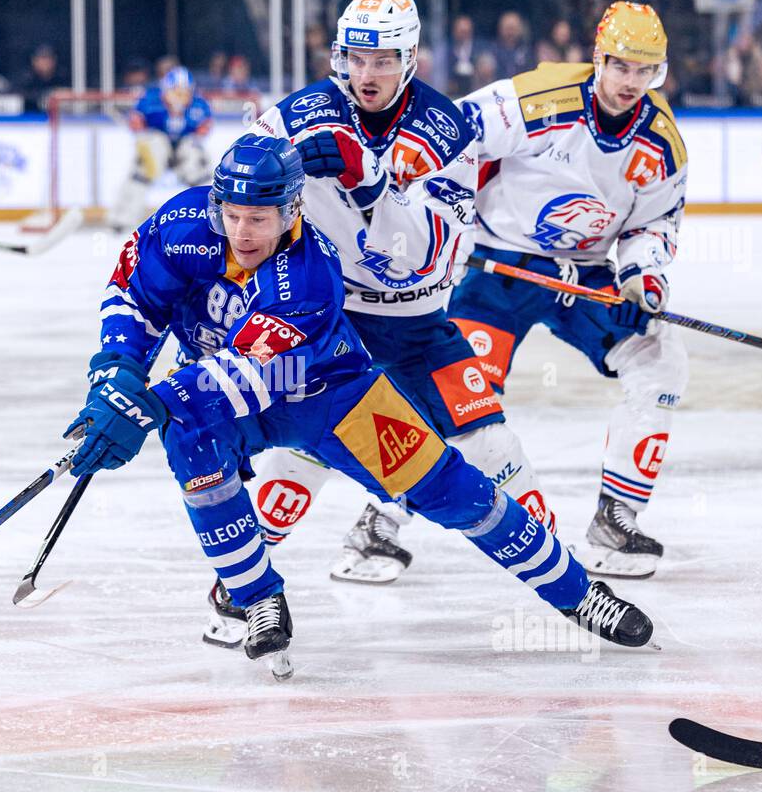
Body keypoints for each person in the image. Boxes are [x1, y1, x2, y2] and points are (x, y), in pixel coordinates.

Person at [63, 133, 654, 673]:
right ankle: (257, 598)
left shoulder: (308, 277)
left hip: (334, 398)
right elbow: (134, 298)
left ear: (291, 210)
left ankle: (578, 594)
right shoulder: (183, 223)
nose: (242, 232)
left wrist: (148, 405)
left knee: (456, 494)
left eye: (259, 219)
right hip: (234, 387)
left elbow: (249, 375)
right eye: (233, 215)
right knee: (188, 438)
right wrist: (116, 371)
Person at [241, 0, 553, 597]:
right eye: (356, 58)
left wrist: (367, 181)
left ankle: (559, 571)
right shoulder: (298, 114)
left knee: (490, 442)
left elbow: (419, 257)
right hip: (333, 319)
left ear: (410, 58)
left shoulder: (447, 129)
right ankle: (241, 583)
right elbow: (236, 195)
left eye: (382, 60)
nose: (366, 74)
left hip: (415, 323)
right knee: (305, 449)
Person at [448, 1, 688, 578]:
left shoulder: (661, 142)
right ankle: (383, 521)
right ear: (598, 55)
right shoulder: (539, 98)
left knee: (661, 361)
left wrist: (643, 272)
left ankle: (615, 521)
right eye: (621, 66)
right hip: (497, 264)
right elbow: (449, 139)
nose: (631, 83)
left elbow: (653, 224)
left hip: (582, 272)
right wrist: (446, 226)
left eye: (645, 71)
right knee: (454, 391)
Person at [108, 65, 212, 231]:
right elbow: (136, 121)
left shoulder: (198, 106)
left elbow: (204, 127)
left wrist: (194, 140)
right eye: (176, 92)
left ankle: (211, 214)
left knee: (198, 170)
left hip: (183, 148)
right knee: (142, 172)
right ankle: (122, 219)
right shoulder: (150, 101)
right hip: (157, 146)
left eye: (184, 92)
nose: (180, 97)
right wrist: (143, 139)